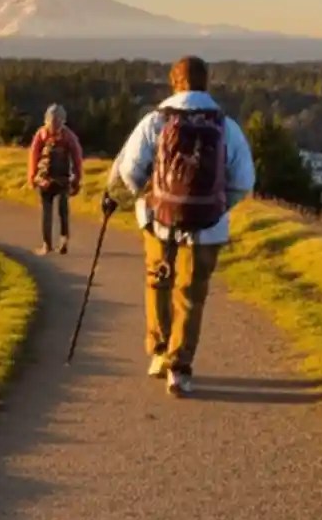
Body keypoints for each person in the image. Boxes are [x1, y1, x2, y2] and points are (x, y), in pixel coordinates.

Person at [103, 56, 255, 396]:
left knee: (158, 281)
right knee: (190, 294)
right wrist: (218, 205)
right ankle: (180, 366)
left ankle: (158, 349)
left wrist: (146, 198)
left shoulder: (156, 121)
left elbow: (129, 170)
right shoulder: (225, 126)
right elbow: (243, 180)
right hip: (208, 228)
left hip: (159, 222)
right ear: (206, 83)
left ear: (174, 82)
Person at [27, 104, 84, 256]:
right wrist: (77, 179)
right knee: (62, 211)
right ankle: (62, 241)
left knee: (47, 212)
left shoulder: (41, 134)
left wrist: (32, 177)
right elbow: (77, 158)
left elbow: (34, 156)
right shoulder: (68, 136)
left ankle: (47, 245)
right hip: (62, 180)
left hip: (46, 179)